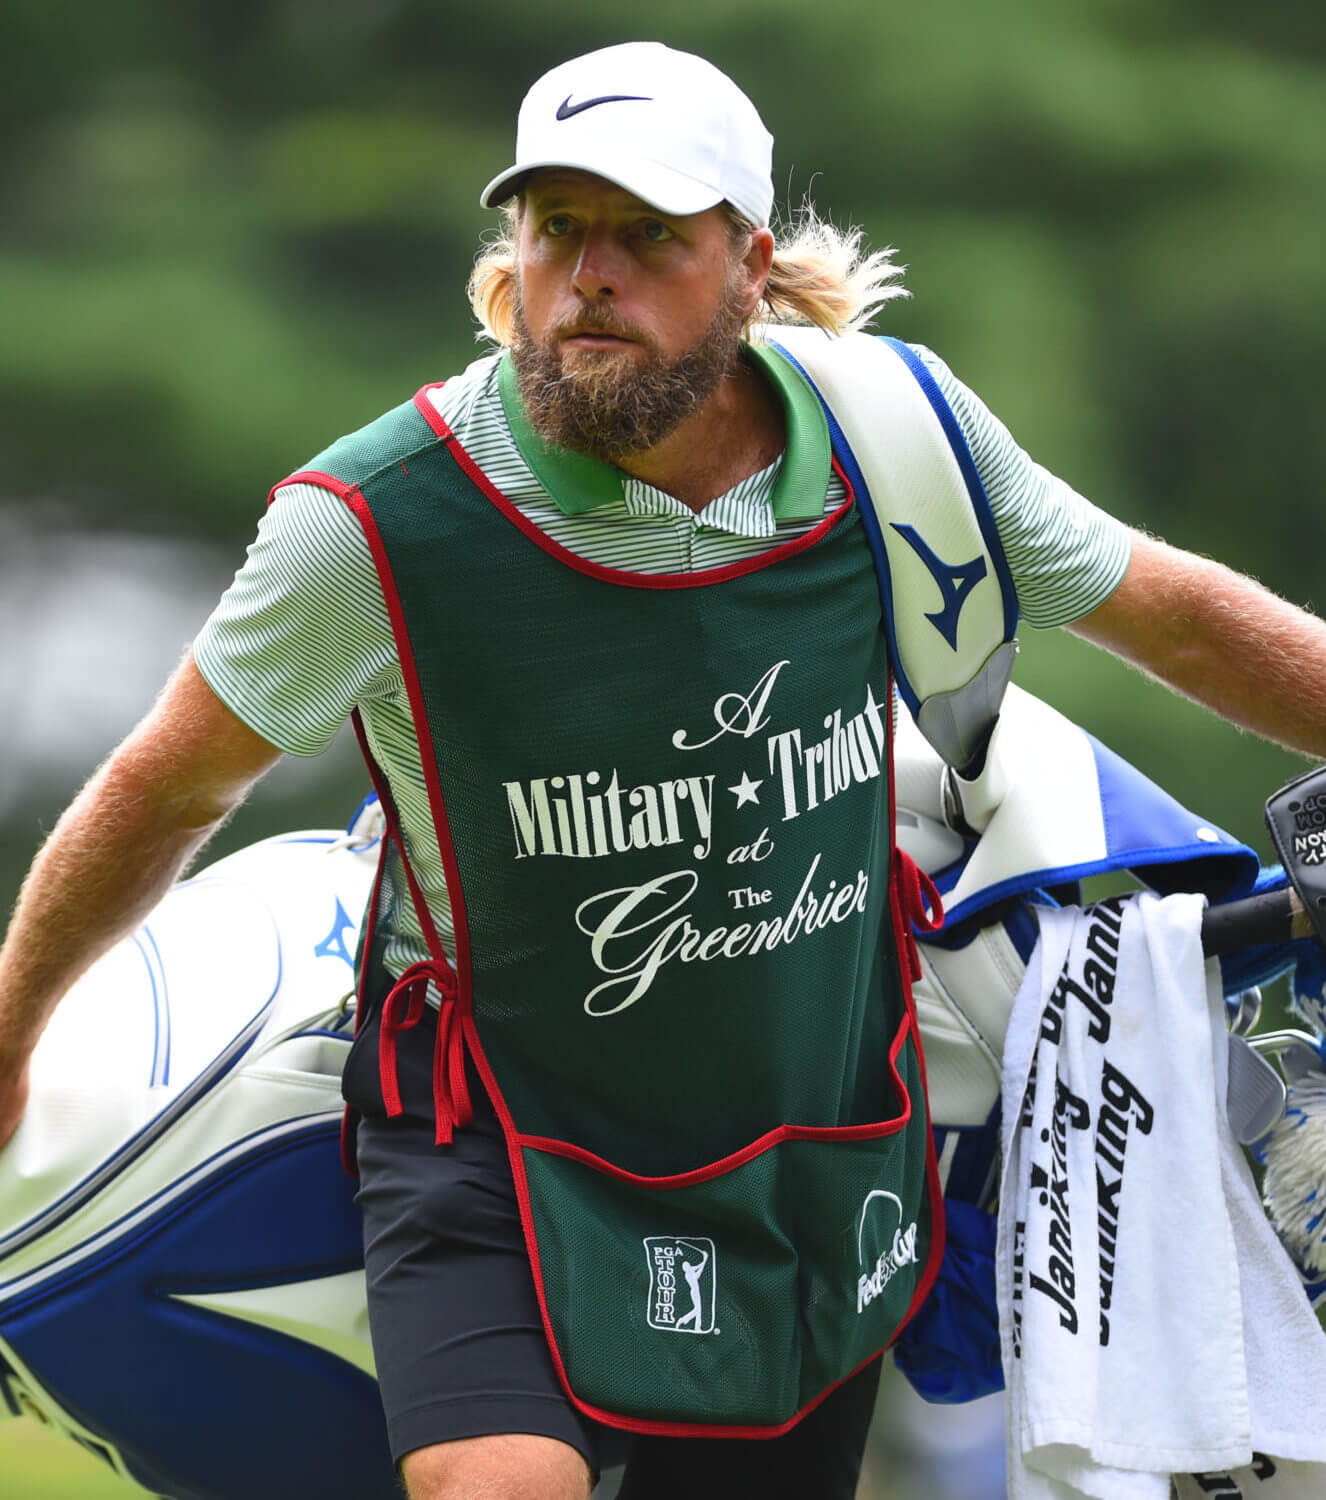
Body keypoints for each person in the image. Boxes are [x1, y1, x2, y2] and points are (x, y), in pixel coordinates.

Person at [1, 38, 1325, 1500]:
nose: (591, 274)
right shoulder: (373, 519)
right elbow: (167, 788)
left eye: (648, 235)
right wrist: (10, 1041)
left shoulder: (895, 434)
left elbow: (1182, 619)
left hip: (806, 1145)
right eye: (558, 227)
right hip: (491, 1143)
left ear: (748, 266)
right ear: (512, 248)